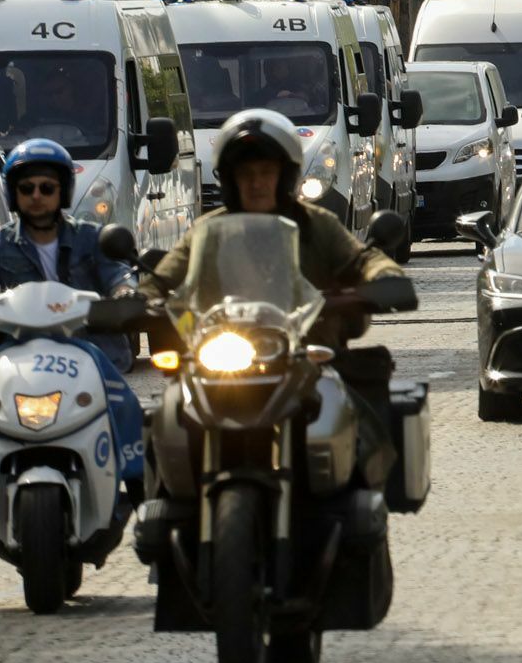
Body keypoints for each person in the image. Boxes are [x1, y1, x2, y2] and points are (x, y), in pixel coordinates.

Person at [137, 111, 407, 496]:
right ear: (230, 180)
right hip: (220, 354)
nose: (257, 183)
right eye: (246, 174)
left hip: (305, 354)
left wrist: (384, 278)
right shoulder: (206, 230)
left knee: (356, 424)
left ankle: (358, 515)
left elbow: (363, 258)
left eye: (266, 172)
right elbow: (164, 277)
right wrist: (132, 300)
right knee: (168, 415)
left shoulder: (317, 225)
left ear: (286, 175)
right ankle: (166, 509)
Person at [0, 140, 141, 394]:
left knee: (128, 420)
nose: (36, 196)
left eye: (46, 188)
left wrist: (124, 293)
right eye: (26, 188)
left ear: (62, 192)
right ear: (14, 194)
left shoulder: (91, 237)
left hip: (91, 354)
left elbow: (117, 275)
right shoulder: (1, 244)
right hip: (23, 356)